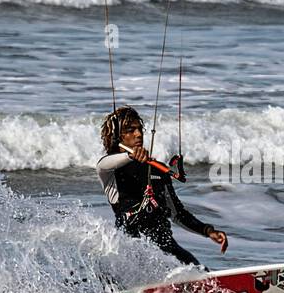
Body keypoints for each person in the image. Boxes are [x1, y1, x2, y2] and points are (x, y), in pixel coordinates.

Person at [97, 105, 228, 266]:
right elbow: (103, 165)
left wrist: (208, 231)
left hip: (165, 247)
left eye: (139, 129)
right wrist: (130, 156)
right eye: (130, 130)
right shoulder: (111, 170)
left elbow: (177, 213)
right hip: (130, 252)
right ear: (117, 137)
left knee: (200, 272)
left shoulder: (159, 170)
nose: (138, 134)